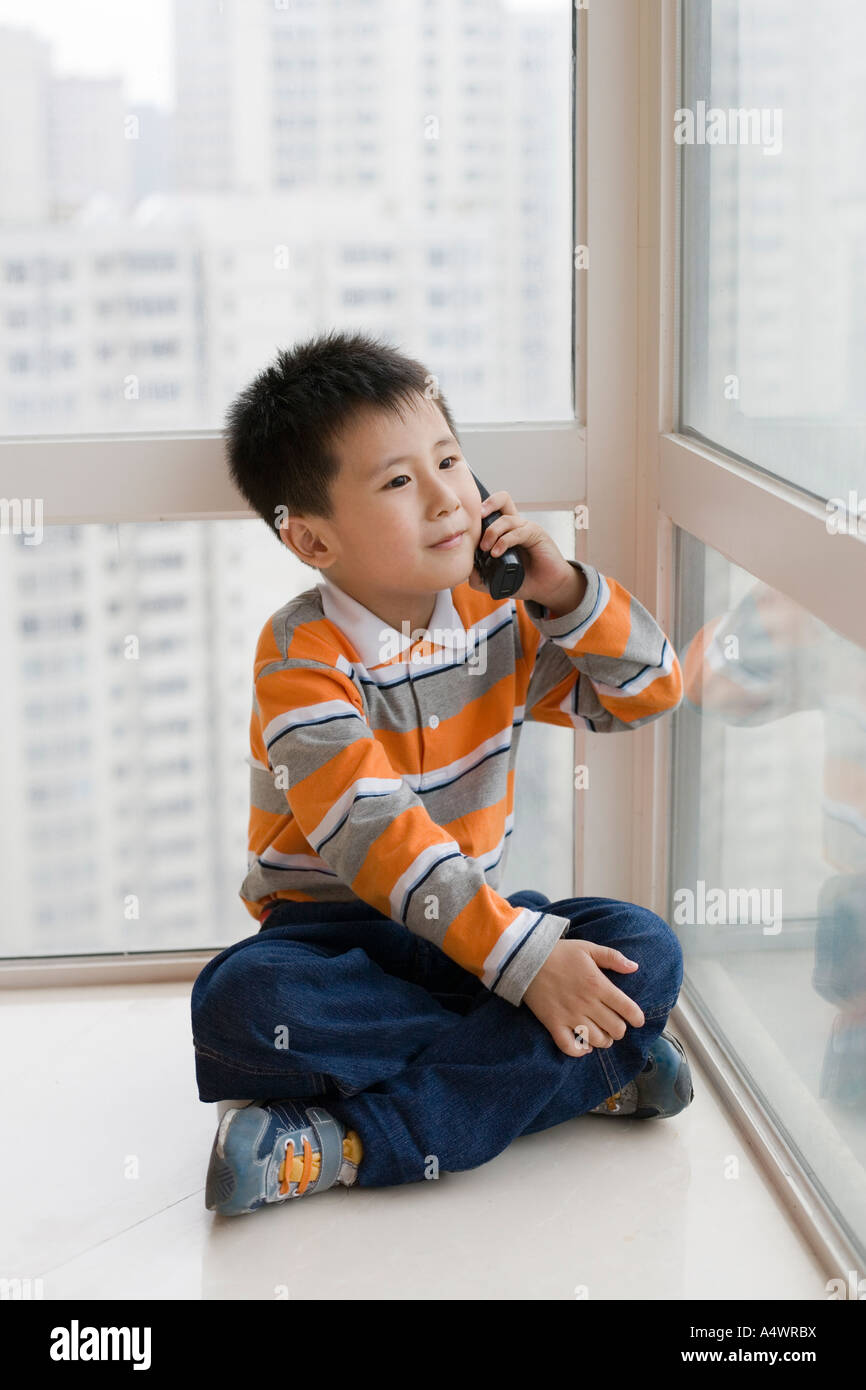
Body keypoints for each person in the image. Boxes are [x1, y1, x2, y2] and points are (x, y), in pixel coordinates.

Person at [191, 329, 694, 1217]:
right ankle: (581, 1071)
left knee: (643, 946)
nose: (446, 500)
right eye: (396, 481)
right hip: (334, 940)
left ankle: (343, 1144)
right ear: (311, 539)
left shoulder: (496, 617)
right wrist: (532, 973)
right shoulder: (298, 655)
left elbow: (648, 692)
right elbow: (377, 836)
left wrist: (567, 593)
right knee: (241, 1003)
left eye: (450, 461)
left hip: (479, 929)